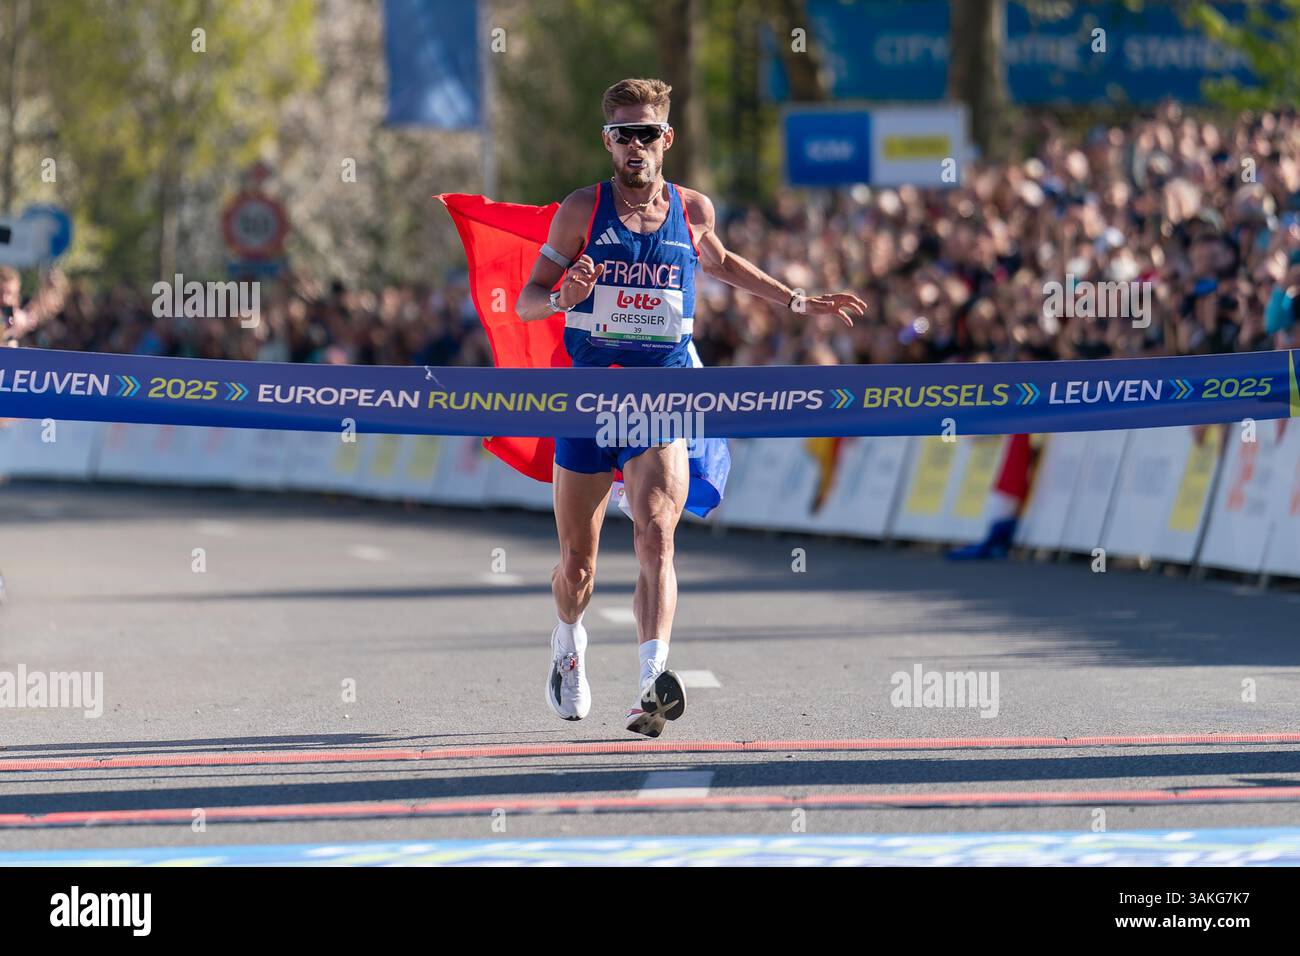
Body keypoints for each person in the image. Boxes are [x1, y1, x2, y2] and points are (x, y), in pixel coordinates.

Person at [515, 78, 866, 736]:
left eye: (647, 133)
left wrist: (798, 300)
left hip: (664, 393)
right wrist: (565, 295)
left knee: (656, 534)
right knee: (578, 567)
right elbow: (526, 299)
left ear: (666, 139)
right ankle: (567, 641)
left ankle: (653, 678)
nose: (635, 146)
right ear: (608, 141)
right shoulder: (581, 210)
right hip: (591, 397)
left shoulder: (691, 209)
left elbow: (725, 263)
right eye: (623, 134)